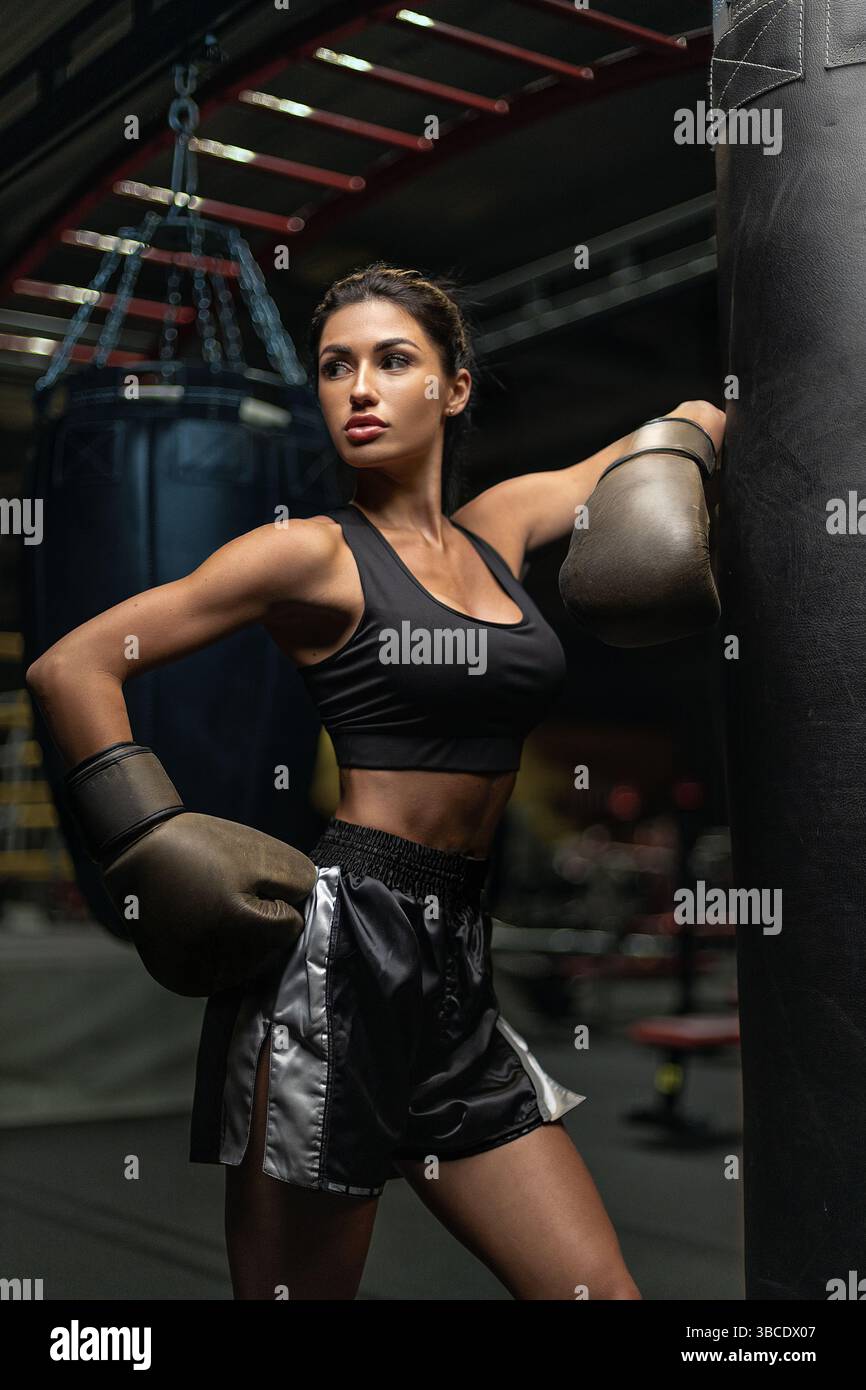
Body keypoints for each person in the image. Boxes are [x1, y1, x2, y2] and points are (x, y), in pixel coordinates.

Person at [26, 262, 725, 1301]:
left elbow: (661, 436)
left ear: (452, 387)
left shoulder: (502, 529)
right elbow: (72, 663)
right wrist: (151, 836)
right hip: (339, 954)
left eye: (392, 361)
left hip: (456, 967)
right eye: (334, 367)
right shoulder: (308, 555)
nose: (357, 386)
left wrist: (711, 419)